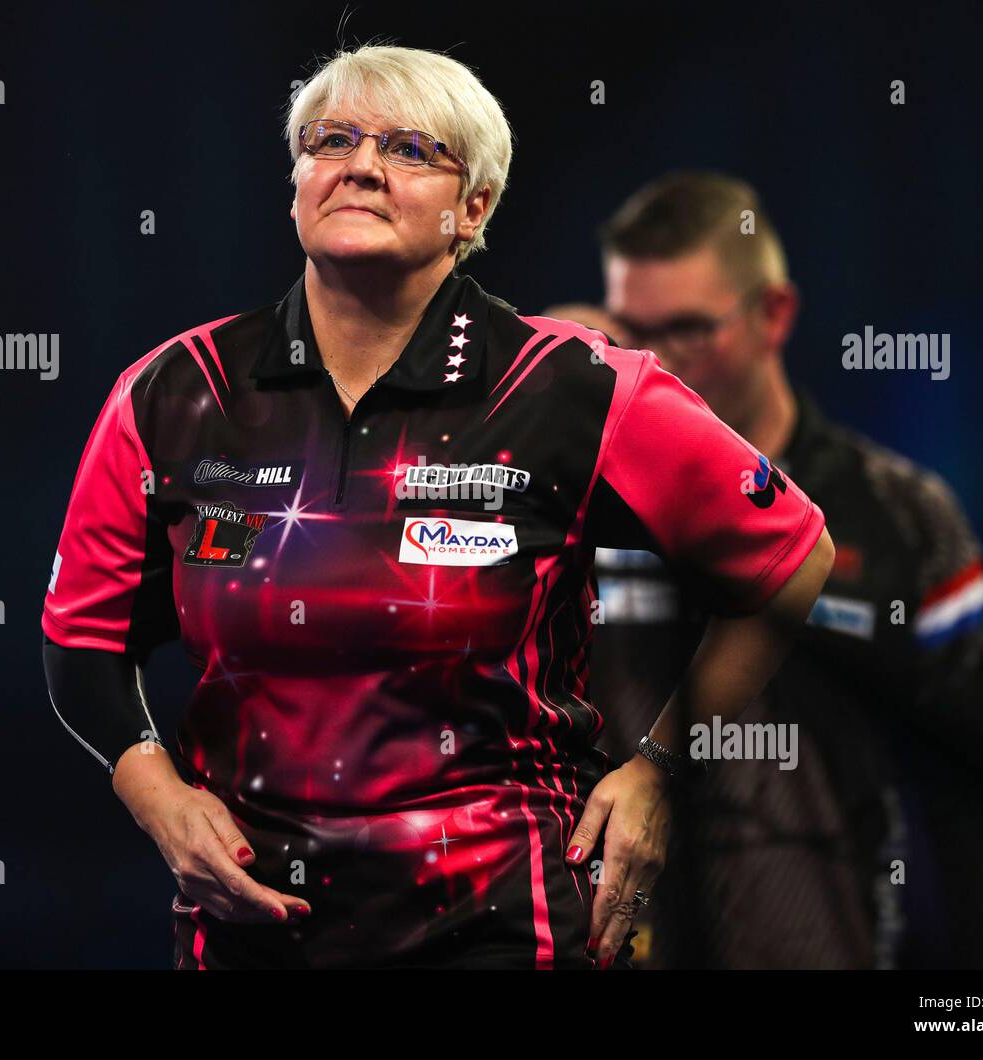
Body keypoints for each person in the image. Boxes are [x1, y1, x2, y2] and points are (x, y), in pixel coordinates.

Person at [40, 52, 834, 971]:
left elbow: (791, 558)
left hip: (507, 930)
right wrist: (158, 798)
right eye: (330, 140)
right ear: (296, 183)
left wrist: (658, 769)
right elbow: (82, 643)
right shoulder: (173, 391)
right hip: (249, 934)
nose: (362, 165)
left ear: (476, 208)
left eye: (412, 148)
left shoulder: (577, 388)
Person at [548, 171, 983, 969]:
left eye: (687, 328)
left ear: (773, 314)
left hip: (836, 938)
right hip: (614, 941)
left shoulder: (903, 514)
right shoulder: (576, 493)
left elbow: (976, 791)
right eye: (631, 331)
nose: (655, 361)